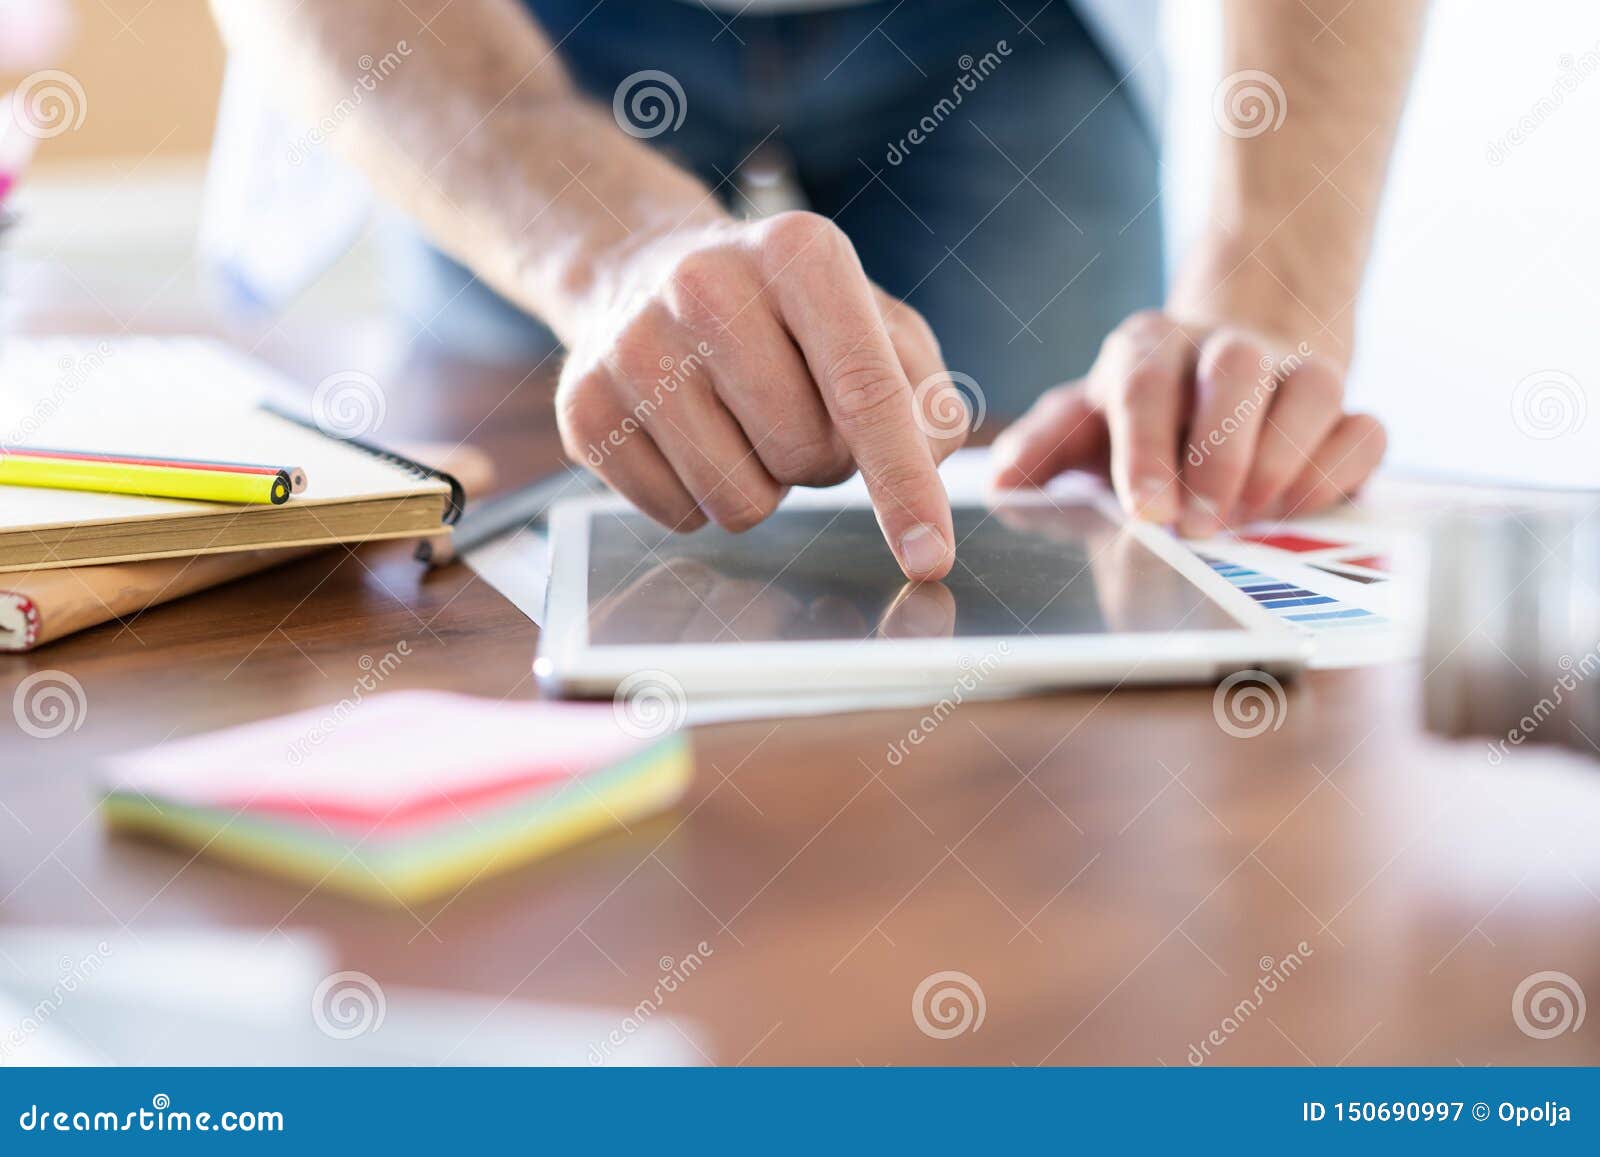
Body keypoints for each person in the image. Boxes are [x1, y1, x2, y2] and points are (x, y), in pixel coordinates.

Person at [210, 0, 1426, 581]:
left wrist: (1264, 306)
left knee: (1070, 577)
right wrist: (604, 252)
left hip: (1003, 33)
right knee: (515, 582)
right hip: (506, 35)